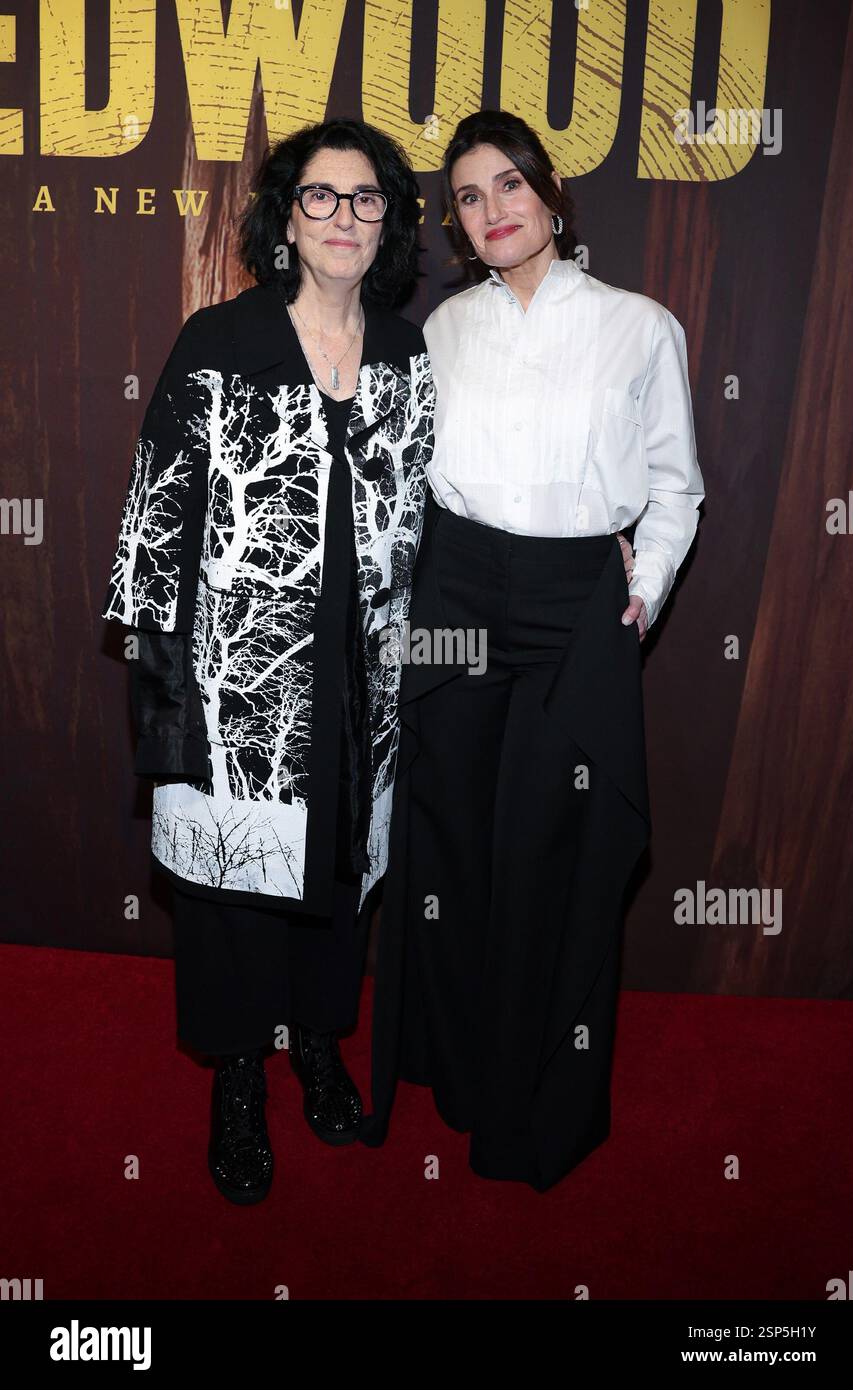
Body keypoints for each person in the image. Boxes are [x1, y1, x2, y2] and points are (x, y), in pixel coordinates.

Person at [360, 109, 705, 1192]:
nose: (493, 209)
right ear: (454, 224)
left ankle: (536, 1108)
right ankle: (457, 1073)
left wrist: (637, 592)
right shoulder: (440, 332)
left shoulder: (639, 326)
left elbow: (673, 486)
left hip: (573, 608)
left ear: (549, 196)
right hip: (455, 591)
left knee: (554, 855)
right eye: (467, 196)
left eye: (508, 185)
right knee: (450, 844)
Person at [101, 118, 435, 1204]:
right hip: (238, 680)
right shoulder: (221, 340)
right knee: (236, 890)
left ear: (387, 222)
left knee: (339, 873)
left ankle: (320, 1044)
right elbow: (155, 526)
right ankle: (239, 1078)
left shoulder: (402, 350)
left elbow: (433, 510)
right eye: (321, 197)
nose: (344, 217)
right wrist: (161, 706)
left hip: (364, 674)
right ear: (285, 217)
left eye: (366, 198)